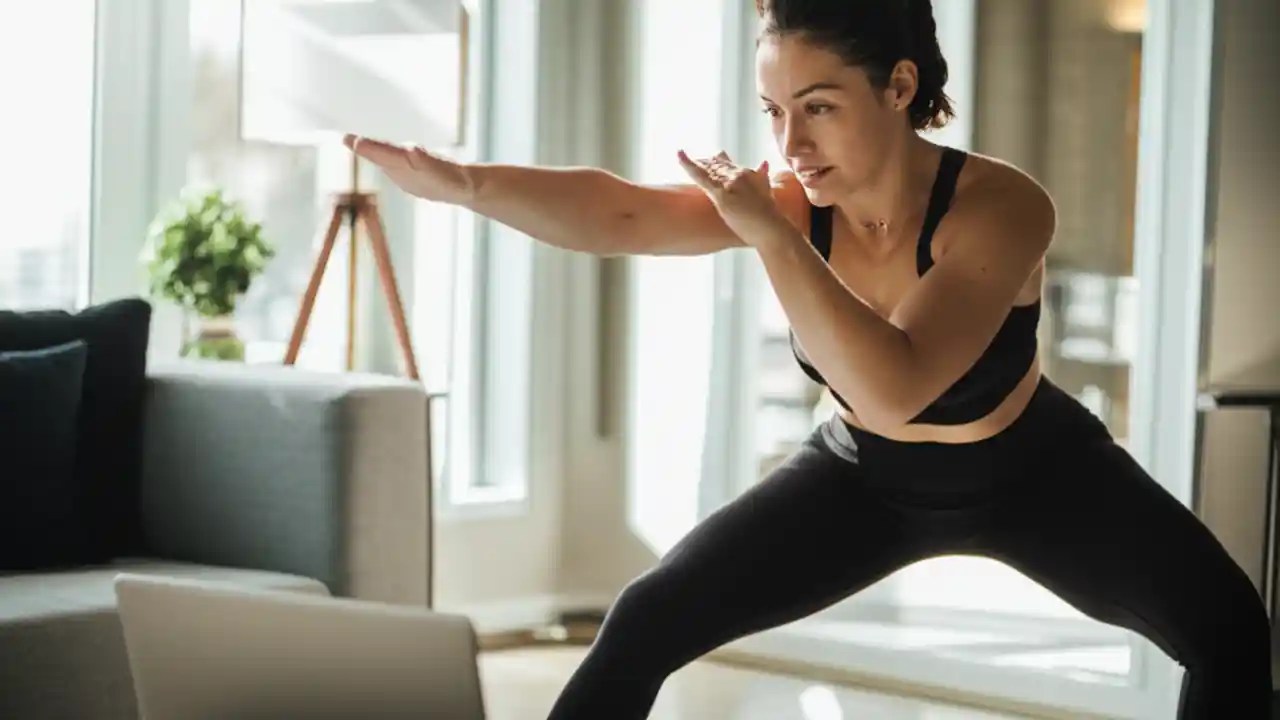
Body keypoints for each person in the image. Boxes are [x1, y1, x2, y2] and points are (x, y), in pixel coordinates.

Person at [346, 1, 1272, 717]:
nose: (790, 143)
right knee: (645, 620)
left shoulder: (1000, 208)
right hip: (860, 478)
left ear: (900, 86)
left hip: (1033, 471)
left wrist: (771, 238)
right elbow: (620, 211)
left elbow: (898, 384)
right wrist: (461, 184)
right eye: (774, 111)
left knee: (1230, 629)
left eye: (818, 108)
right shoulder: (794, 201)